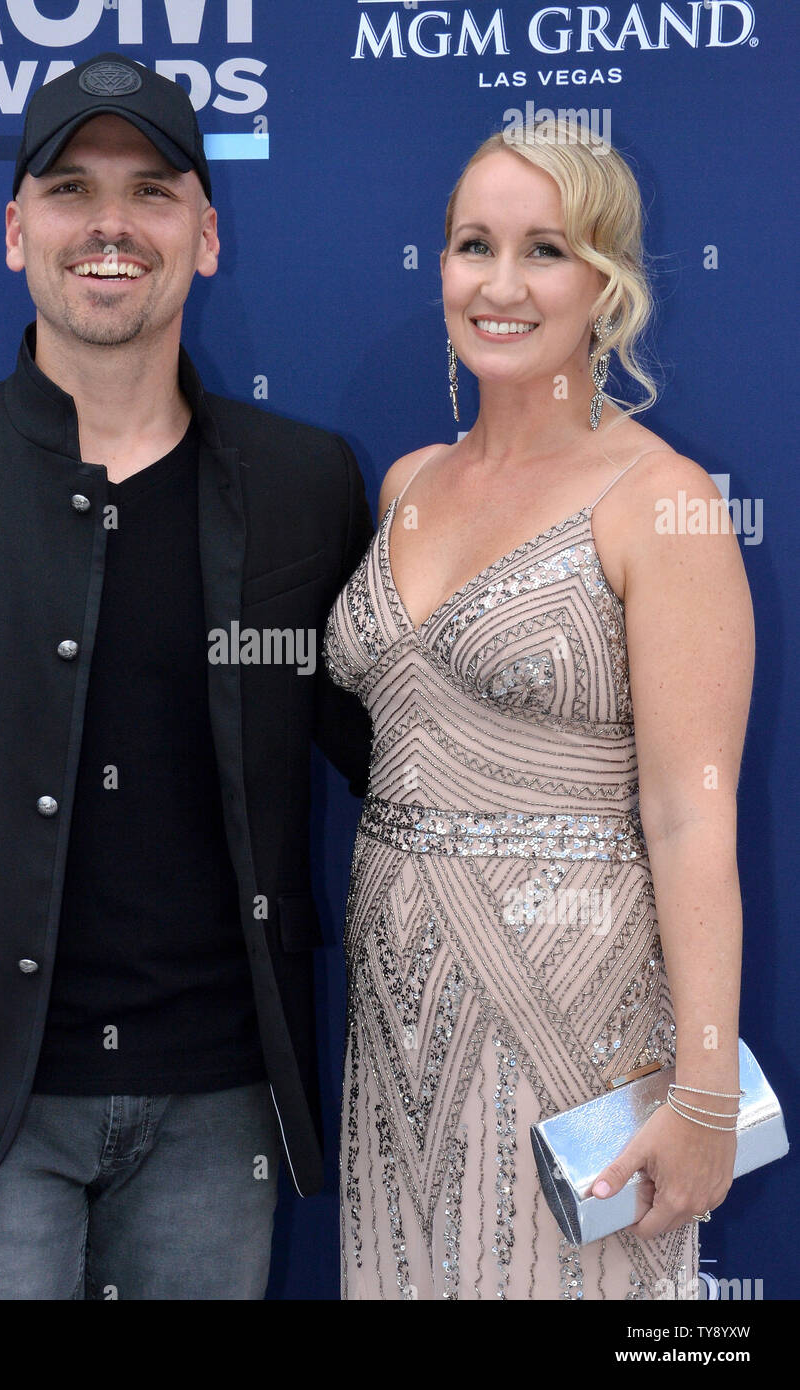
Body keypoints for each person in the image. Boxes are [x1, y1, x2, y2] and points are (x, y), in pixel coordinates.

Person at [0, 52, 374, 1300]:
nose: (108, 224)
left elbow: (394, 758)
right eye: (70, 189)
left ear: (205, 236)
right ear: (13, 229)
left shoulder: (305, 482)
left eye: (151, 192)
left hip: (222, 1103)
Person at [324, 120, 752, 1300]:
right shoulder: (407, 483)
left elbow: (686, 814)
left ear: (603, 284)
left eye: (543, 251)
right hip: (396, 1002)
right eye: (473, 245)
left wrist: (704, 1095)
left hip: (571, 1015)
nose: (498, 285)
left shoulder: (656, 502)